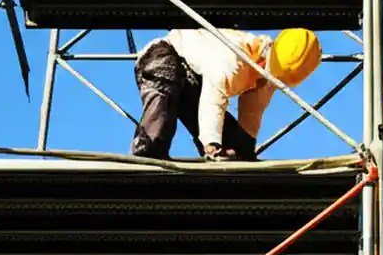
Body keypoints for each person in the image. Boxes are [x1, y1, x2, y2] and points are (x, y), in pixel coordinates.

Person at [131, 27, 322, 162]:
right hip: (165, 55)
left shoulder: (267, 73)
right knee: (163, 109)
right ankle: (147, 153)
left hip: (196, 81)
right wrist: (211, 144)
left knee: (232, 149)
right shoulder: (233, 59)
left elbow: (253, 109)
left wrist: (245, 149)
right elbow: (212, 99)